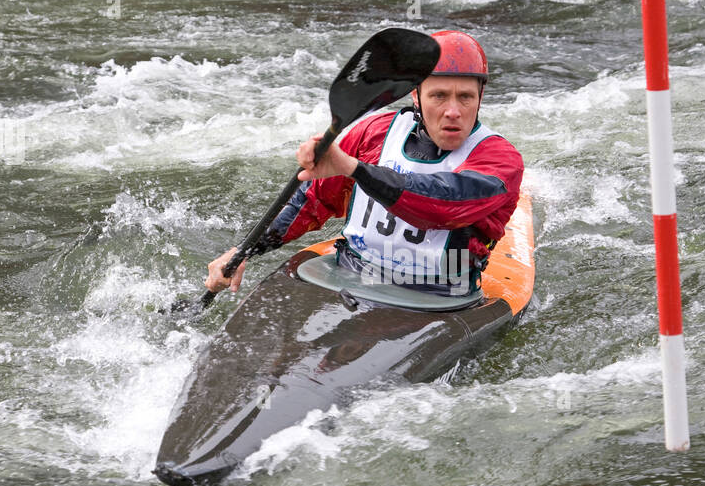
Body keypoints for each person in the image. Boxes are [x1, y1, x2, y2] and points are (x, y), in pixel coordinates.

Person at [205, 29, 523, 298]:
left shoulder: (498, 161)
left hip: (439, 294)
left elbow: (442, 204)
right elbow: (310, 201)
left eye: (465, 97)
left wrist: (354, 169)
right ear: (416, 96)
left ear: (480, 97)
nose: (453, 110)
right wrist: (245, 250)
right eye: (439, 95)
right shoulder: (375, 132)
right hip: (353, 273)